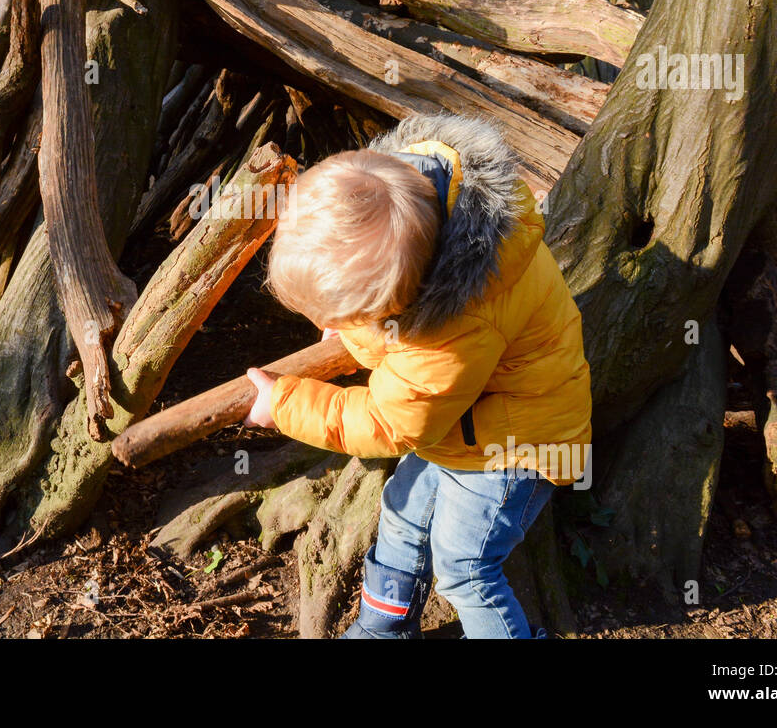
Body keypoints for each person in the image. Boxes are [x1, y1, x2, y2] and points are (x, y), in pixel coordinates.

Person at [243, 113, 591, 638]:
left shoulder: (457, 321)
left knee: (464, 568)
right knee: (401, 516)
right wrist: (353, 327)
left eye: (343, 314)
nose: (323, 326)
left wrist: (286, 405)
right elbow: (396, 338)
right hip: (462, 422)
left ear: (399, 299)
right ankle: (382, 627)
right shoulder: (420, 212)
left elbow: (392, 421)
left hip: (514, 448)